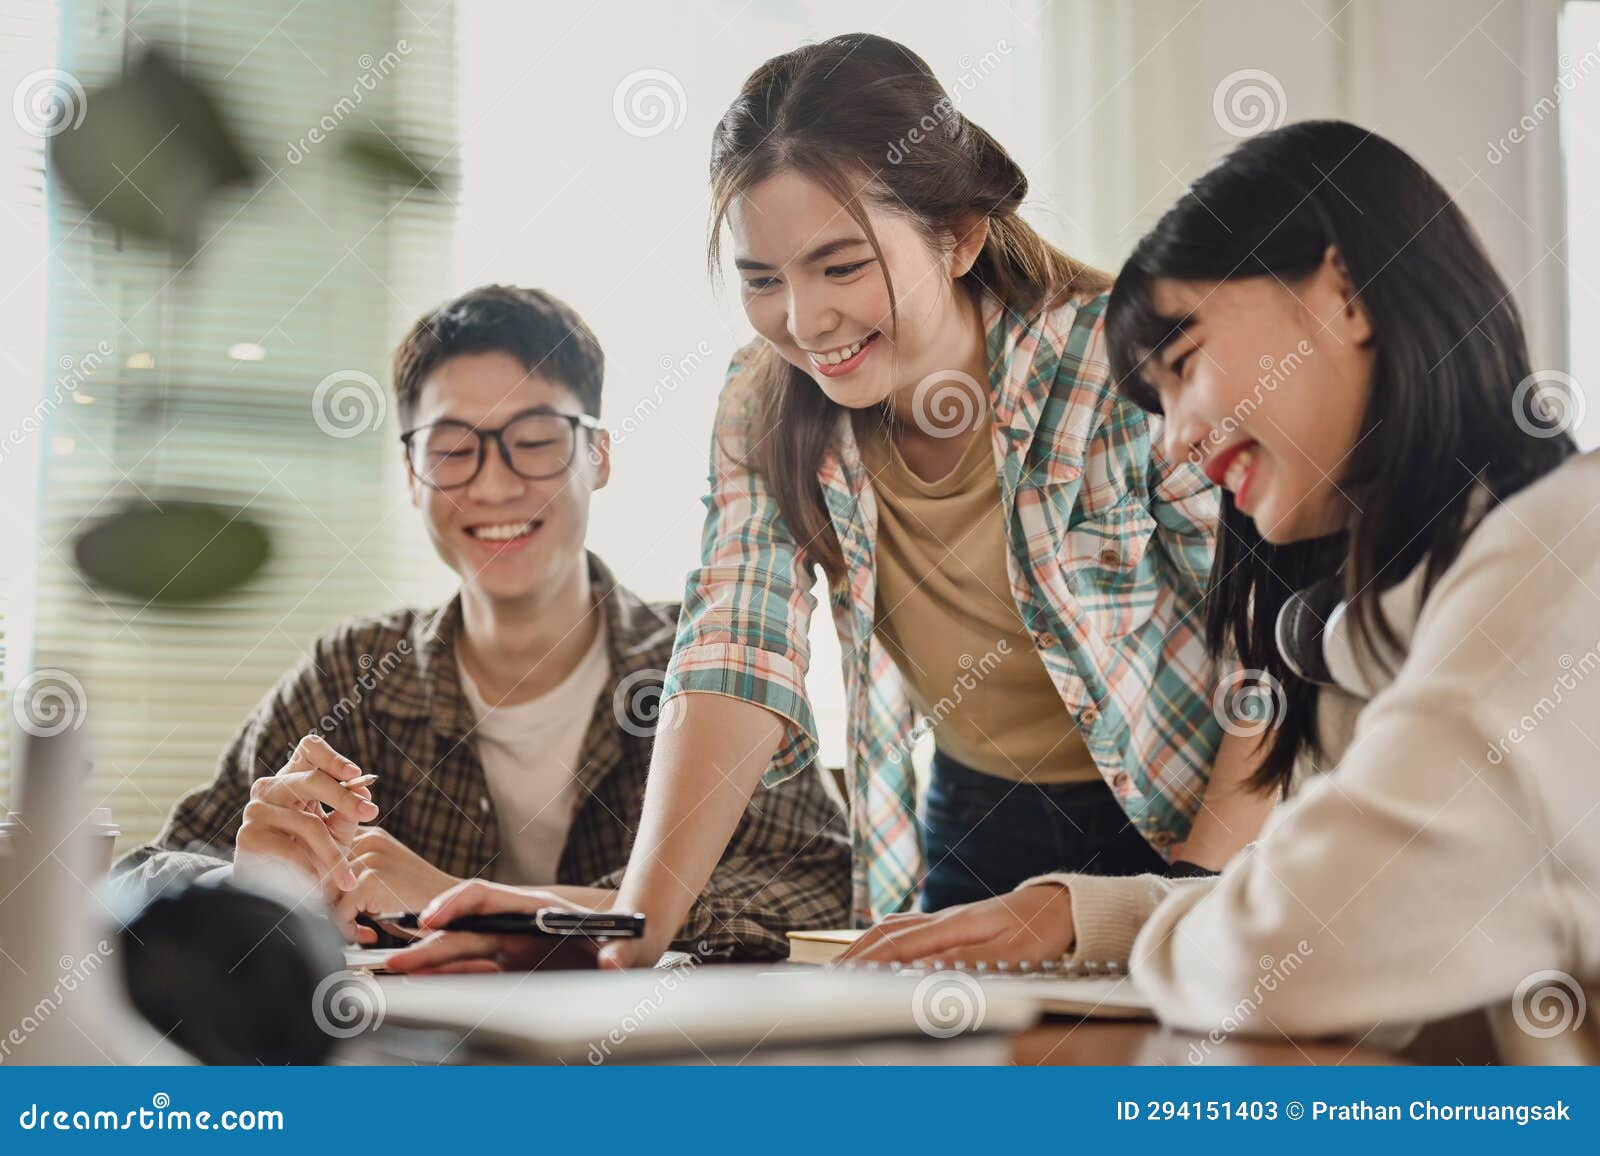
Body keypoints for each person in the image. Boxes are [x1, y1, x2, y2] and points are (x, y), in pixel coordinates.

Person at [391, 33, 1270, 976]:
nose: (804, 322)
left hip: (1207, 806)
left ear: (959, 234)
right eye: (763, 280)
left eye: (841, 267)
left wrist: (1189, 900)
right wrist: (631, 925)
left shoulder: (1120, 369)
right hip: (982, 817)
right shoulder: (761, 402)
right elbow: (735, 647)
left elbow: (1271, 673)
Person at [838, 121, 1600, 1063]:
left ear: (1344, 292)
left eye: (1185, 364)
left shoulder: (1565, 551)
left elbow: (1300, 950)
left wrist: (1156, 935)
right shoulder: (1384, 618)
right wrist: (1094, 915)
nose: (1172, 442)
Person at [114, 285, 851, 961]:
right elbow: (143, 879)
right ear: (410, 475)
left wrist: (455, 902)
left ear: (597, 455)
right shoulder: (357, 673)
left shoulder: (698, 674)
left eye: (534, 441)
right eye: (452, 449)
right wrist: (252, 888)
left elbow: (821, 892)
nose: (494, 485)